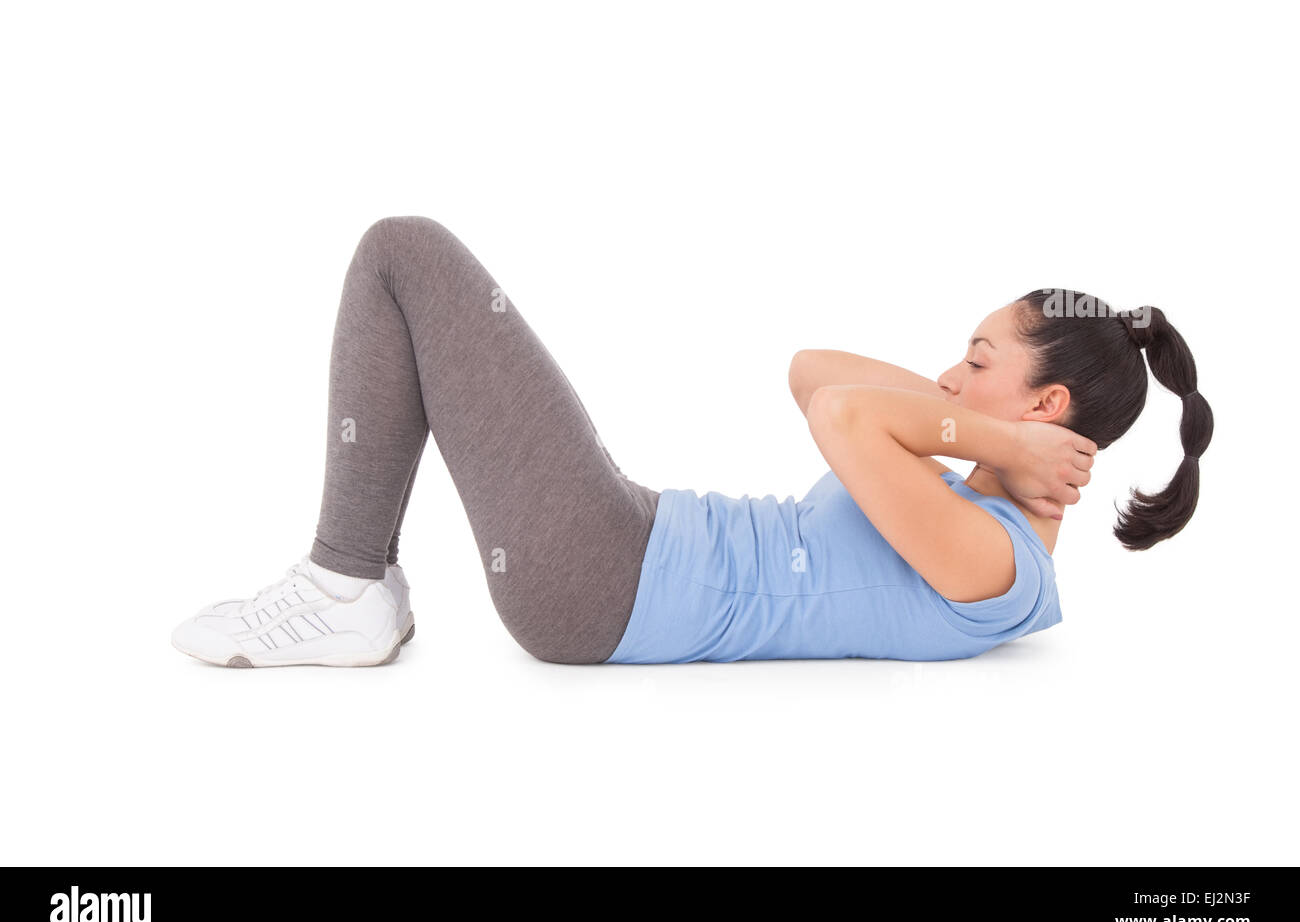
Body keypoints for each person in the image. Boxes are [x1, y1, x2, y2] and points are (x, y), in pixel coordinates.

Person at [170, 216, 1214, 668]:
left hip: (599, 579)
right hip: (626, 531)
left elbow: (840, 414)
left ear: (1047, 403)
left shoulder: (999, 559)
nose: (949, 376)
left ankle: (346, 582)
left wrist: (983, 437)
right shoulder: (957, 480)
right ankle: (357, 581)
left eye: (978, 357)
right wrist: (990, 426)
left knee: (405, 251)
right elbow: (812, 367)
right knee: (406, 257)